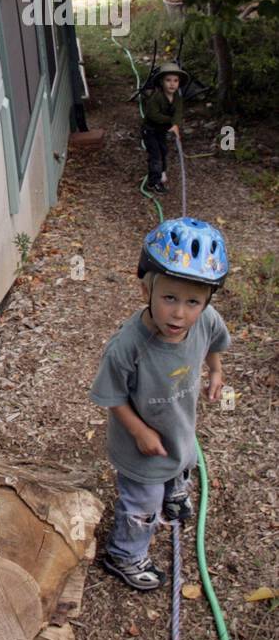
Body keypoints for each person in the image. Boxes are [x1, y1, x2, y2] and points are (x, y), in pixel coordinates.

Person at [89, 217, 230, 590]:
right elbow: (111, 395)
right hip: (141, 446)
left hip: (177, 425)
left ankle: (174, 489)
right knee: (141, 504)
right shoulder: (127, 347)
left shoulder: (206, 321)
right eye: (169, 298)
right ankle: (125, 554)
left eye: (192, 302)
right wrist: (139, 431)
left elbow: (215, 341)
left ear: (207, 301)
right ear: (145, 289)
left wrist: (215, 370)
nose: (179, 313)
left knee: (182, 456)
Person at [142, 61, 187, 194]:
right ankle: (153, 182)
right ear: (162, 82)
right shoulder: (156, 97)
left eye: (175, 80)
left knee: (163, 151)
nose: (172, 84)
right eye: (168, 80)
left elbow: (178, 112)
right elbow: (153, 115)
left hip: (162, 131)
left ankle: (161, 172)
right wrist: (170, 121)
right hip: (150, 130)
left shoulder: (177, 98)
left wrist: (176, 125)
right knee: (155, 155)